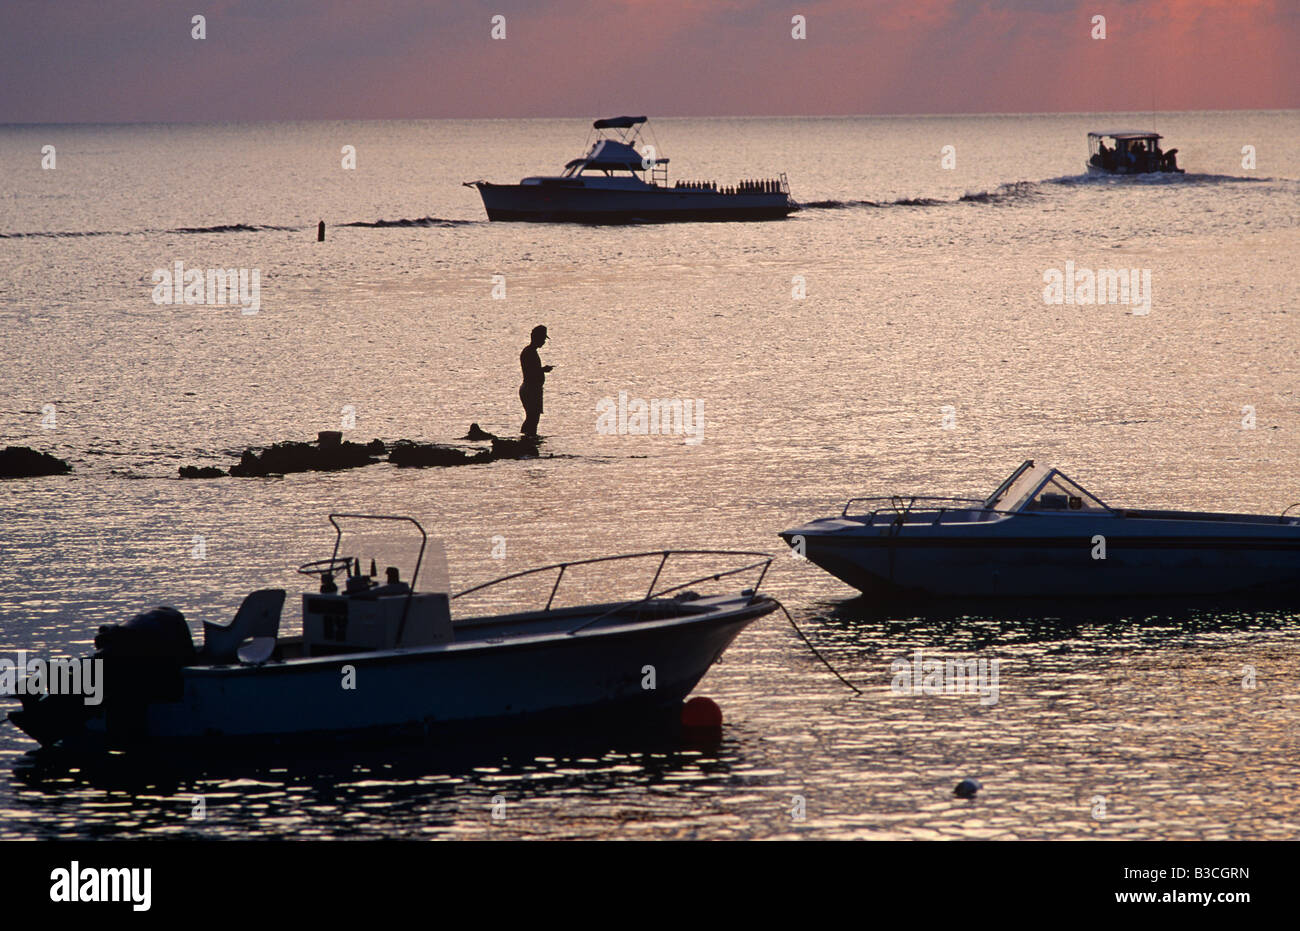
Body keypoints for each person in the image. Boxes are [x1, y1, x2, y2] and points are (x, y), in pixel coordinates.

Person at [519, 324, 552, 436]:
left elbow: (533, 370)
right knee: (532, 417)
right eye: (543, 338)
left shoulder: (530, 351)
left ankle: (528, 439)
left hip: (532, 389)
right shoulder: (529, 352)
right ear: (536, 338)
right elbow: (531, 372)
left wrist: (541, 370)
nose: (544, 341)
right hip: (530, 389)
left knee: (532, 417)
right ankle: (527, 440)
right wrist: (543, 370)